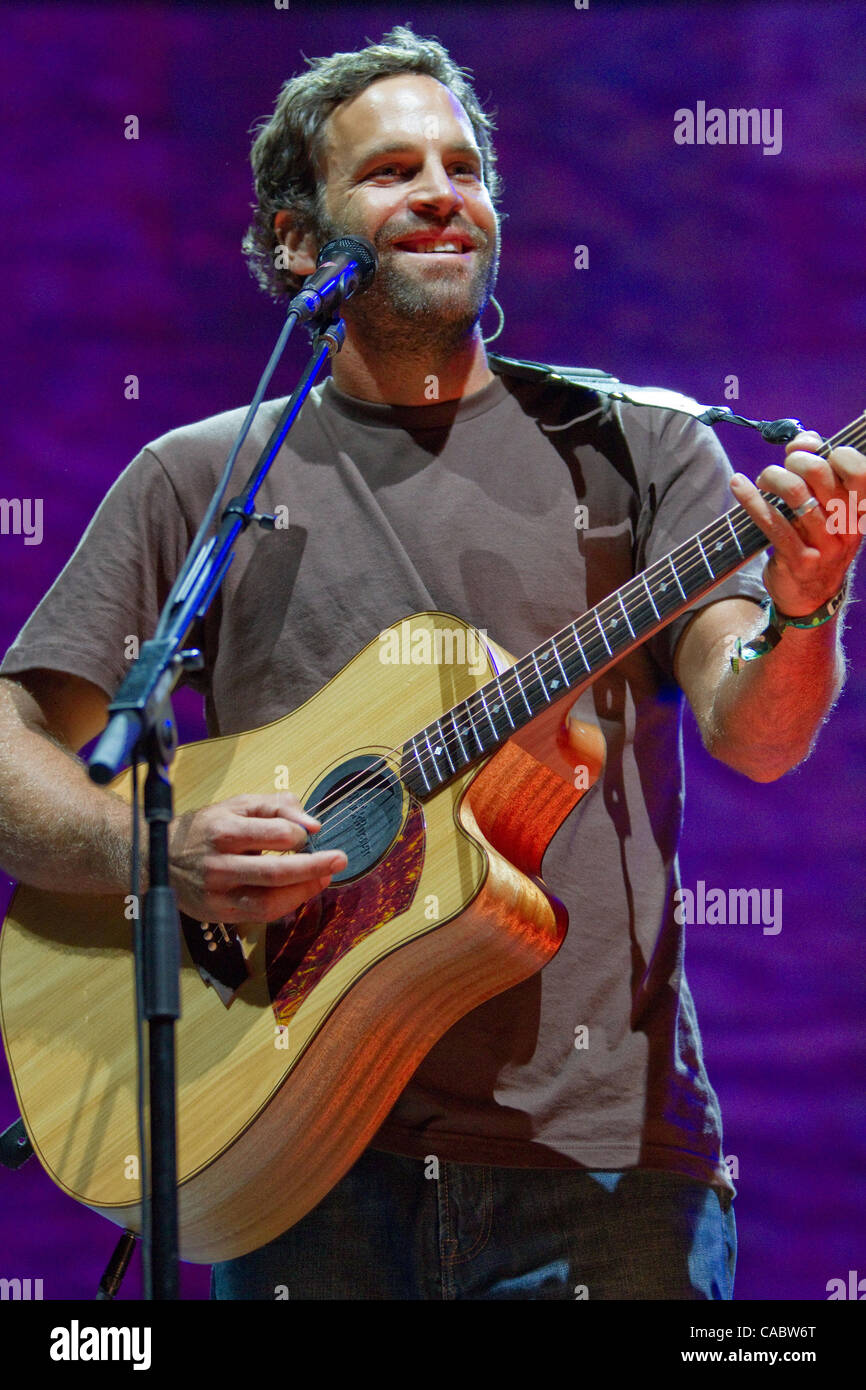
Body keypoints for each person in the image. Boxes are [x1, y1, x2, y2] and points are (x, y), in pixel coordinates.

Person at [0, 25, 862, 1301]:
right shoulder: (204, 477)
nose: (442, 193)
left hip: (604, 1176)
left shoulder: (640, 447)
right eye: (392, 170)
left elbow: (760, 731)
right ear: (298, 239)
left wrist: (803, 608)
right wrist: (155, 851)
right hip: (286, 1152)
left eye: (464, 169)